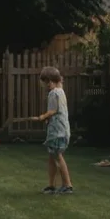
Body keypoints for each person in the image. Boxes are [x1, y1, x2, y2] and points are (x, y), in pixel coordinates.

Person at [30, 66, 73, 195]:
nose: (44, 86)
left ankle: (67, 185)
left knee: (57, 156)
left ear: (50, 81)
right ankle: (51, 185)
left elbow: (53, 111)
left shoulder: (54, 93)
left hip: (58, 132)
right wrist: (47, 119)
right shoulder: (61, 91)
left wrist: (41, 117)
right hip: (60, 130)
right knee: (52, 157)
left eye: (45, 83)